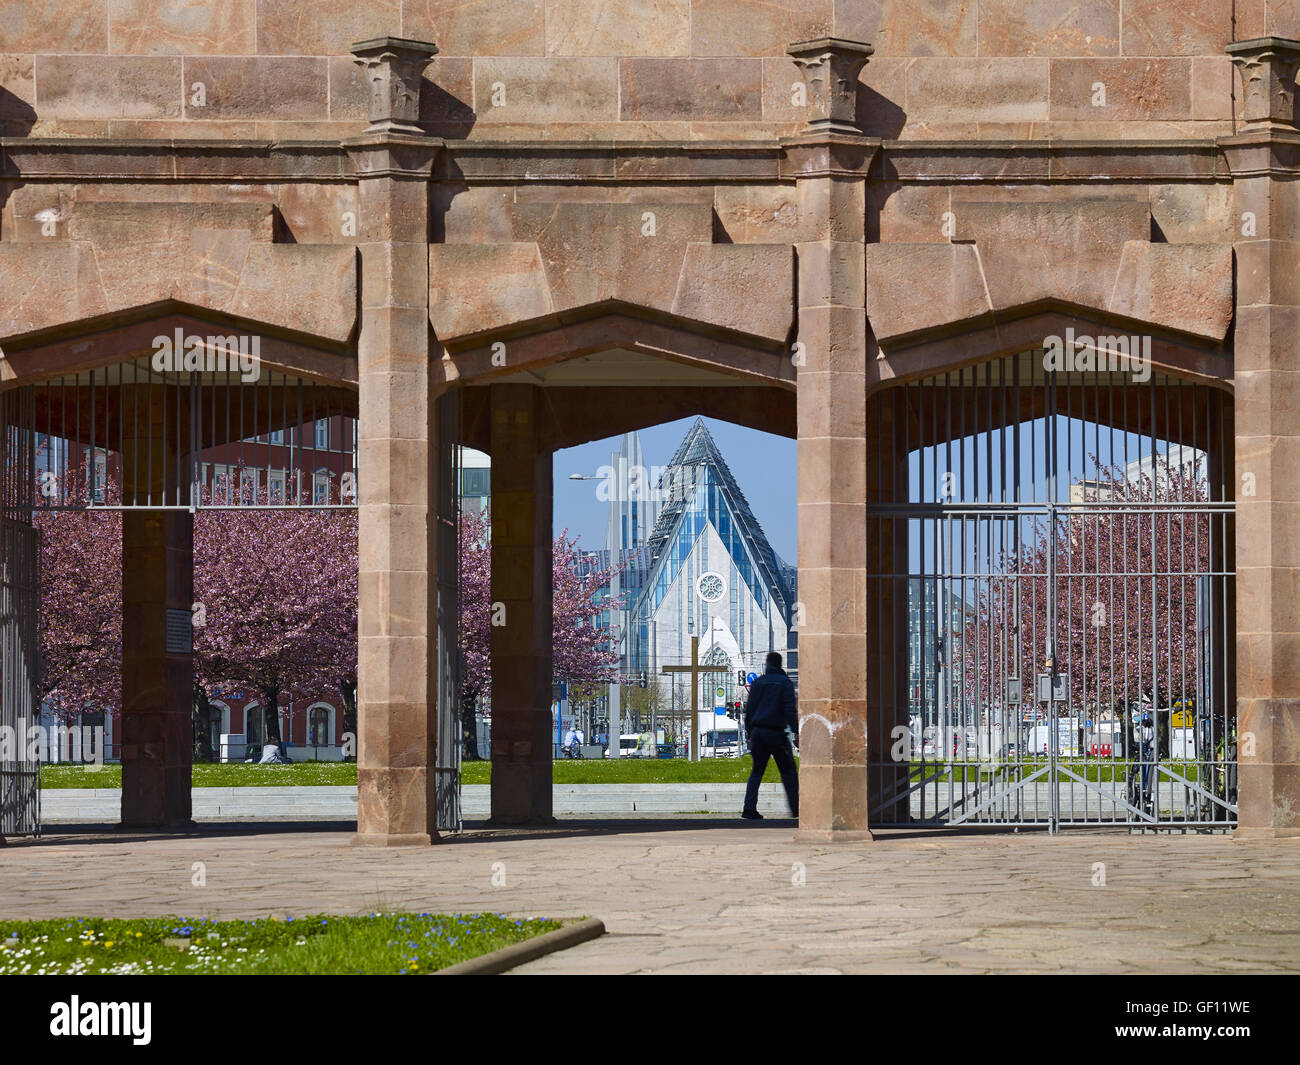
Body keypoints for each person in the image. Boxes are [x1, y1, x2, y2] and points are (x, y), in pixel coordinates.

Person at [741, 651, 799, 820]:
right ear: (779, 664)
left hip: (759, 732)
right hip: (776, 733)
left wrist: (749, 732)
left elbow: (749, 710)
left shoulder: (758, 683)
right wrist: (796, 729)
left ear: (768, 664)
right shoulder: (785, 683)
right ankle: (796, 808)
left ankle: (749, 808)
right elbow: (789, 709)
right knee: (788, 771)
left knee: (756, 772)